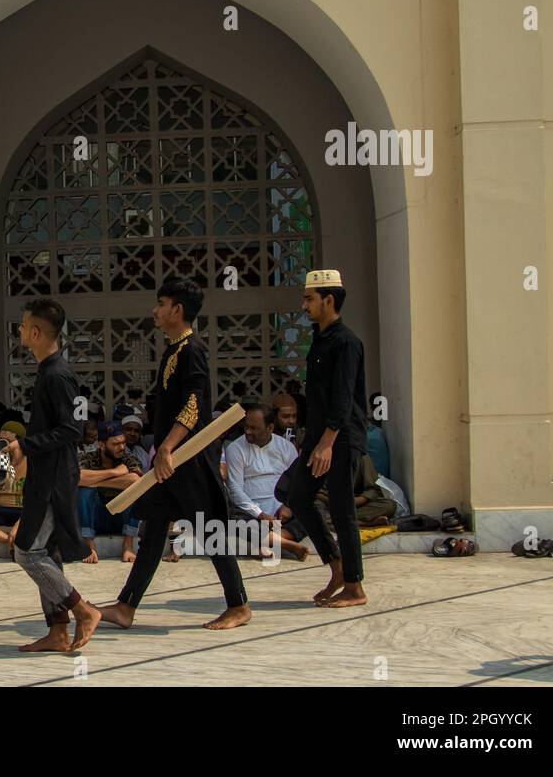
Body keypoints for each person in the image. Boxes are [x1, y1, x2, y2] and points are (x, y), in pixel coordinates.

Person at [98, 279, 252, 631]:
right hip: (170, 461)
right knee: (153, 530)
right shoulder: (172, 349)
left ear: (177, 310)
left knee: (209, 530)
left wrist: (167, 447)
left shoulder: (192, 349)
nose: (156, 309)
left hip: (188, 460)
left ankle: (239, 605)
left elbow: (193, 405)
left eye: (162, 302)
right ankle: (126, 606)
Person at [0, 298, 101, 652]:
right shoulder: (50, 370)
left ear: (37, 331)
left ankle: (83, 610)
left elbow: (73, 429)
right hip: (48, 473)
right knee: (49, 552)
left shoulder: (58, 375)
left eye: (24, 324)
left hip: (53, 478)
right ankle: (58, 630)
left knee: (27, 552)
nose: (20, 330)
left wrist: (27, 445)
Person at [284, 269, 370, 609]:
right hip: (319, 437)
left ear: (328, 300)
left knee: (342, 509)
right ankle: (335, 565)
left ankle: (355, 586)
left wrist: (327, 442)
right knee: (299, 497)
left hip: (341, 438)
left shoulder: (347, 343)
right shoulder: (319, 338)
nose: (303, 305)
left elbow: (343, 397)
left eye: (309, 299)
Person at [224, 403, 309, 562]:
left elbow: (296, 482)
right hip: (251, 513)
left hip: (282, 511)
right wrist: (260, 514)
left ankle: (269, 542)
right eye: (246, 427)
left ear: (270, 428)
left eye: (254, 428)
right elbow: (235, 489)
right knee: (232, 518)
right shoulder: (235, 448)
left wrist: (288, 506)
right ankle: (288, 545)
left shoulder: (286, 447)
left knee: (312, 510)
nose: (248, 431)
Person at [77, 420, 142, 564]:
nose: (122, 447)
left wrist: (95, 480)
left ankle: (128, 544)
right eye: (115, 444)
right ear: (101, 444)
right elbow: (77, 478)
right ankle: (89, 544)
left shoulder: (128, 459)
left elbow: (135, 480)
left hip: (121, 517)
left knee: (136, 489)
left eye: (123, 443)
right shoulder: (87, 458)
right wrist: (115, 472)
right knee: (85, 491)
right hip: (96, 517)